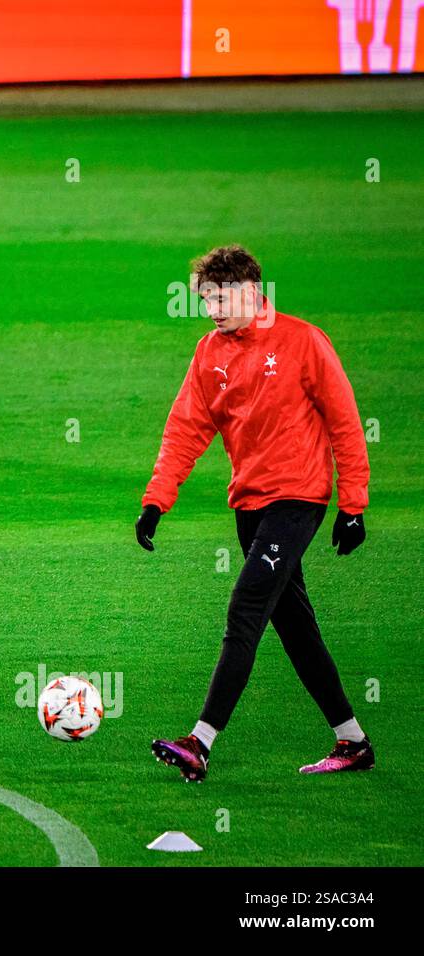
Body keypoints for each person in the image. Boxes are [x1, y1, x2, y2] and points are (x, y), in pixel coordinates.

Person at [140, 245, 373, 782]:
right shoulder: (209, 353)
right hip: (250, 506)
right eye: (205, 300)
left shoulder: (303, 341)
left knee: (246, 606)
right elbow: (185, 430)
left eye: (220, 298)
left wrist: (352, 505)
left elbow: (344, 422)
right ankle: (353, 740)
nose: (212, 310)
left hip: (298, 500)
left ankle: (200, 741)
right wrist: (157, 500)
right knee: (295, 626)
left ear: (251, 291)